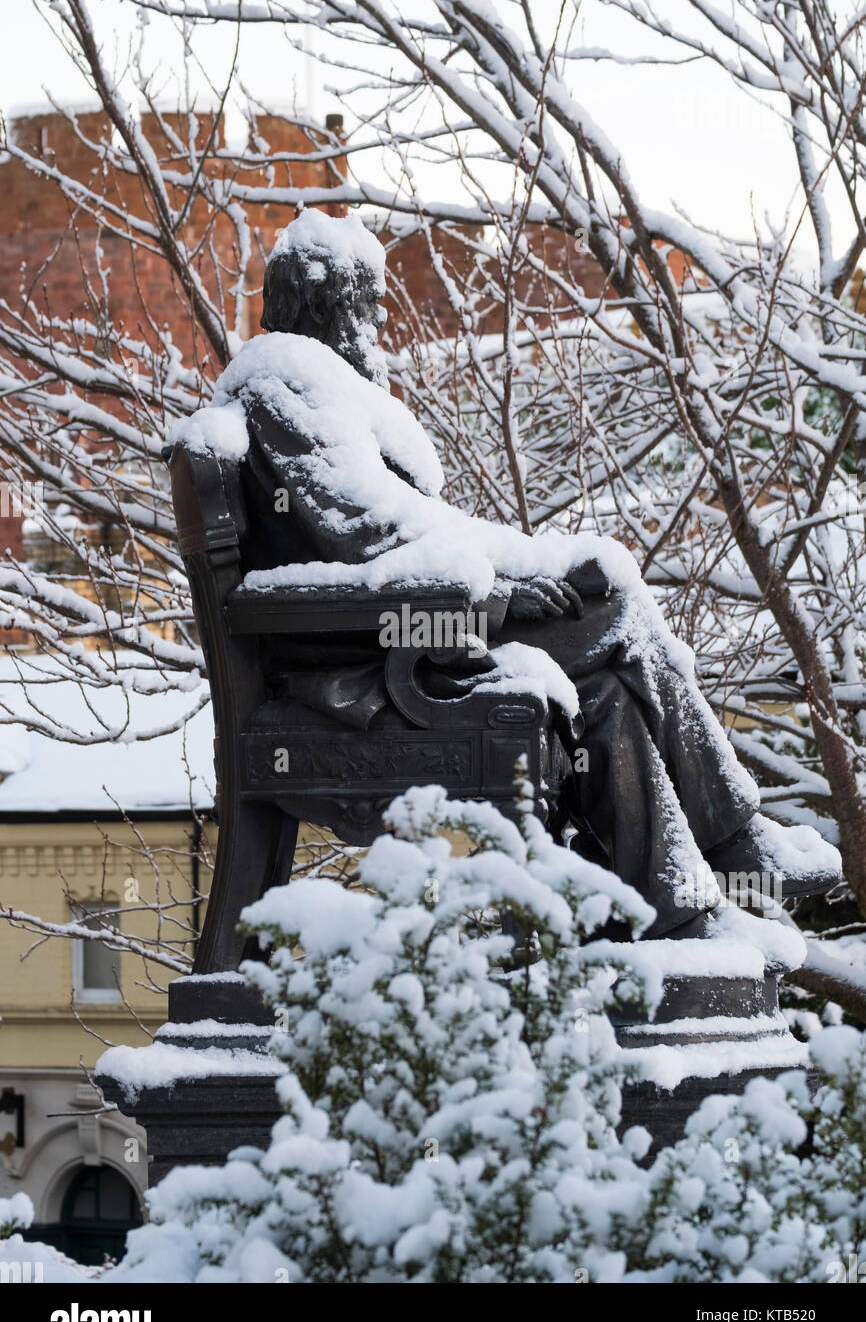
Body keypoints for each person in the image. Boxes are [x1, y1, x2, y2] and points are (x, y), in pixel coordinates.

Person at [176, 210, 841, 937]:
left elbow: (404, 529)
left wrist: (511, 571)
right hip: (373, 656)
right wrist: (499, 584)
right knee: (615, 599)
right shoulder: (285, 385)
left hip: (412, 627)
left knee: (608, 684)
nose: (377, 326)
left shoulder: (316, 389)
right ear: (328, 303)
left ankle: (670, 907)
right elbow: (371, 531)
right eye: (368, 308)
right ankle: (737, 838)